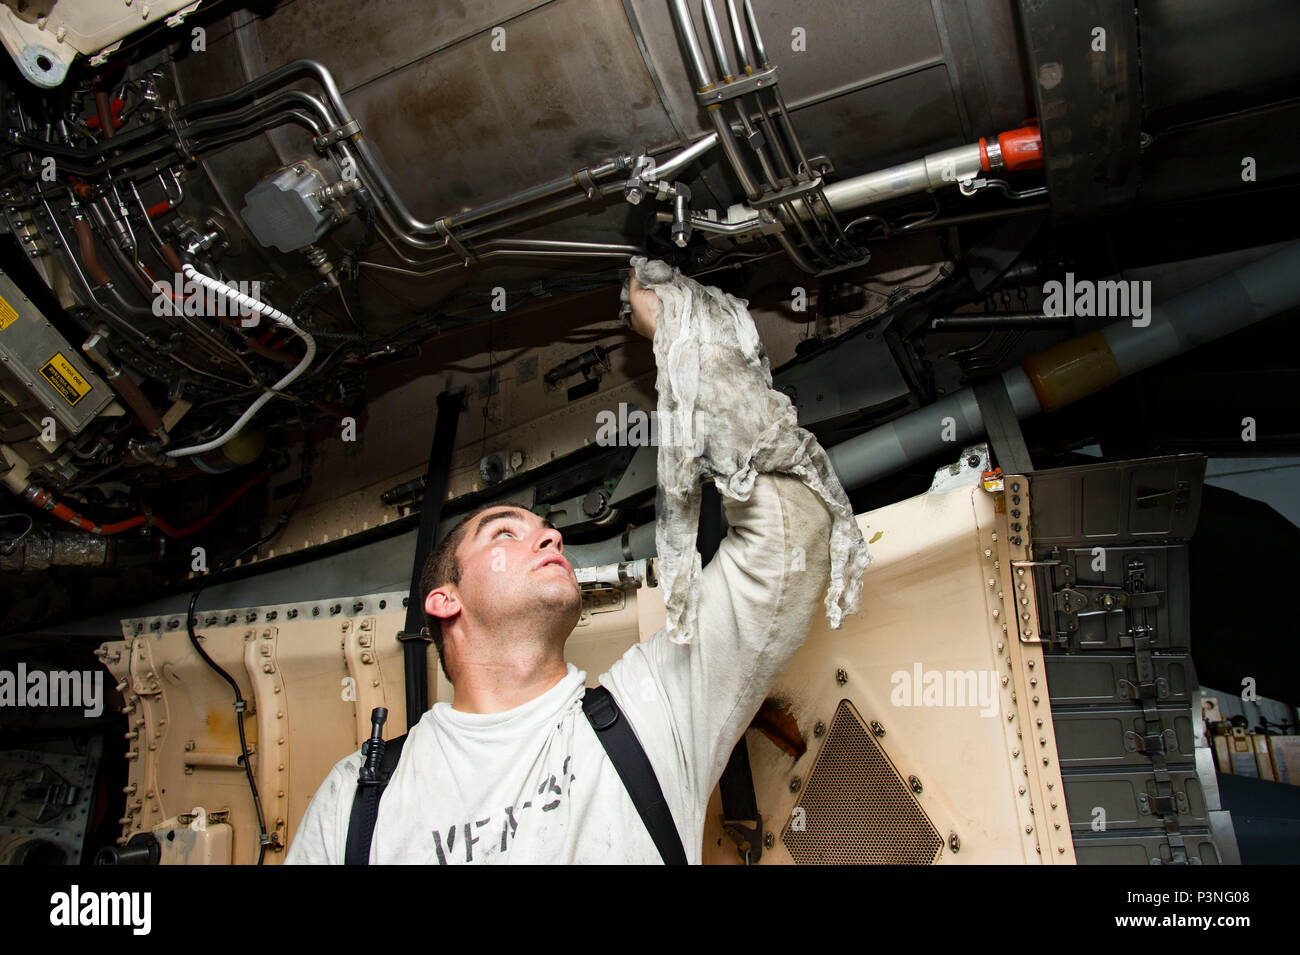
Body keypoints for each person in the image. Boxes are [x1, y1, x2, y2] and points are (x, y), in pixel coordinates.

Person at [285, 274, 834, 864]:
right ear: (445, 600)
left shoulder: (653, 715)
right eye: (505, 532)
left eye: (545, 528)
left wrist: (685, 340)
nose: (551, 534)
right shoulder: (357, 801)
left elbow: (789, 538)